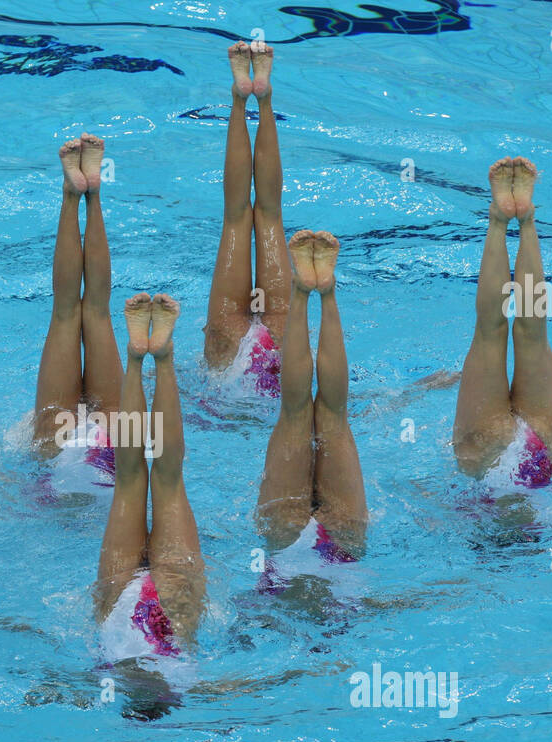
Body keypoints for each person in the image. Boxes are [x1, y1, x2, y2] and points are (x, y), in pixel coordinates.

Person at [255, 230, 367, 591]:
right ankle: (312, 290)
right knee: (306, 412)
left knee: (315, 413)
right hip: (297, 544)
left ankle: (314, 290)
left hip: (336, 545)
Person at [95, 294, 206, 658]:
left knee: (166, 478)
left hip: (172, 617)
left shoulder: (184, 682)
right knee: (132, 480)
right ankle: (136, 356)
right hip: (118, 614)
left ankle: (160, 357)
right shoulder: (110, 675)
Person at [453, 157, 552, 489]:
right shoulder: (551, 525)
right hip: (486, 458)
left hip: (541, 460)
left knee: (529, 332)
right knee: (494, 330)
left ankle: (523, 219)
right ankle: (506, 219)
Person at [32, 133, 123, 490]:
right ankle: (85, 195)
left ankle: (81, 194)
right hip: (80, 450)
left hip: (105, 443)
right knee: (84, 311)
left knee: (83, 311)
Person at [204, 41, 291, 397]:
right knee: (251, 214)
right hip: (266, 358)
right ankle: (255, 98)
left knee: (251, 215)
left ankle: (248, 98)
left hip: (269, 350)